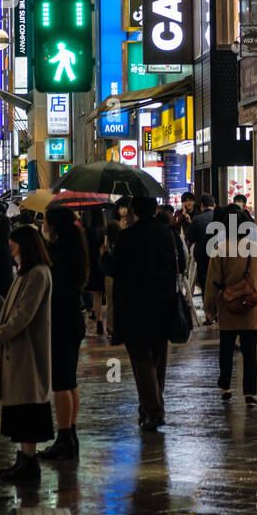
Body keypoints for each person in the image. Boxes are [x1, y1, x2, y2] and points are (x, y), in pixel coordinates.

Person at [0, 224, 53, 482]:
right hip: (17, 352)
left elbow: (23, 316)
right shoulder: (25, 273)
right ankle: (22, 459)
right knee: (20, 409)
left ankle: (29, 463)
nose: (11, 249)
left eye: (15, 245)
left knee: (27, 408)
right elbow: (15, 309)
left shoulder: (38, 274)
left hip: (28, 352)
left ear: (25, 246)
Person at [103, 195, 178, 431]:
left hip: (135, 308)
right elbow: (178, 266)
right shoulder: (166, 233)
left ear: (133, 211)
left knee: (141, 361)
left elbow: (115, 269)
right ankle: (150, 408)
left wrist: (105, 253)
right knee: (158, 360)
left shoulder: (128, 237)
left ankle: (153, 411)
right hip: (163, 305)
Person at [204, 203, 257, 406]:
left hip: (228, 306)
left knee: (226, 347)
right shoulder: (256, 249)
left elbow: (213, 281)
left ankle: (226, 385)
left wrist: (209, 307)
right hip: (251, 307)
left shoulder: (219, 248)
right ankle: (250, 394)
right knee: (250, 352)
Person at [39, 205, 88, 460]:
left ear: (53, 226)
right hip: (73, 318)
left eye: (45, 221)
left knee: (61, 383)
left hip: (60, 320)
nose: (42, 225)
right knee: (69, 380)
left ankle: (64, 436)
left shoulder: (55, 254)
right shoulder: (75, 248)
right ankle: (70, 435)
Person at [190, 193, 216, 320]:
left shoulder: (197, 219)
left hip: (202, 256)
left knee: (205, 284)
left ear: (202, 206)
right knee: (218, 282)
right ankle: (218, 312)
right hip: (219, 256)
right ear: (214, 205)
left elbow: (190, 237)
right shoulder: (221, 218)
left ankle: (209, 315)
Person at [84, 210, 108, 335]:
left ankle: (98, 321)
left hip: (93, 265)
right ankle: (109, 324)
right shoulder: (104, 231)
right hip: (104, 264)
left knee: (97, 296)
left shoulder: (87, 231)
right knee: (108, 296)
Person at [156, 204, 188, 275]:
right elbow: (184, 252)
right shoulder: (173, 232)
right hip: (172, 271)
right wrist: (182, 269)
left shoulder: (153, 232)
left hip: (157, 272)